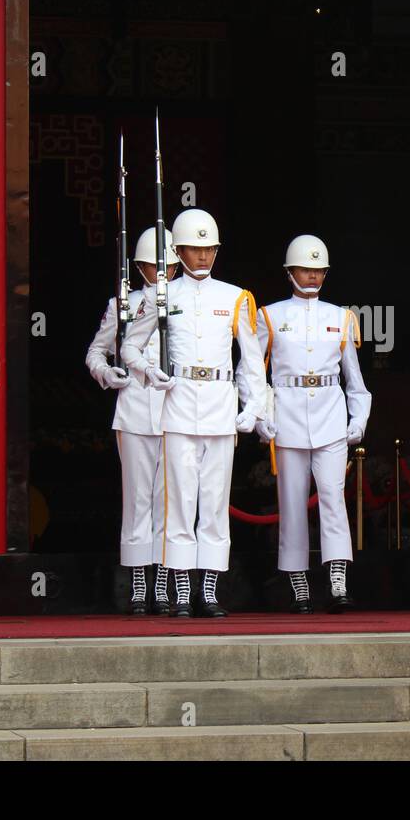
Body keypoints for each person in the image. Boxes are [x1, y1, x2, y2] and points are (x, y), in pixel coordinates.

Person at [121, 208, 267, 617]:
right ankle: (182, 588)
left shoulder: (234, 297)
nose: (203, 257)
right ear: (179, 251)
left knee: (215, 500)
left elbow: (252, 361)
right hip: (179, 402)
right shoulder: (161, 294)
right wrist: (150, 372)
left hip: (220, 403)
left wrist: (252, 406)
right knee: (180, 499)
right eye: (194, 249)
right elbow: (130, 346)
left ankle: (209, 588)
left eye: (209, 249)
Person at [256, 235, 370, 613]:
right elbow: (255, 373)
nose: (313, 276)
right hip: (286, 416)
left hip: (330, 417)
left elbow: (354, 379)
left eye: (319, 270)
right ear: (290, 273)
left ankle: (337, 580)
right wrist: (260, 415)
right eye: (306, 269)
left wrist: (360, 418)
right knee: (291, 503)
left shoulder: (340, 317)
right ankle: (299, 584)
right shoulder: (269, 315)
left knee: (333, 499)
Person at [85, 227, 179, 614]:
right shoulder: (123, 303)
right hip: (136, 407)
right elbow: (96, 352)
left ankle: (162, 581)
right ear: (139, 267)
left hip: (176, 409)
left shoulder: (188, 300)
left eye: (167, 265)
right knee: (139, 498)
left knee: (168, 501)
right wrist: (107, 374)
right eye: (153, 265)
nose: (162, 271)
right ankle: (140, 581)